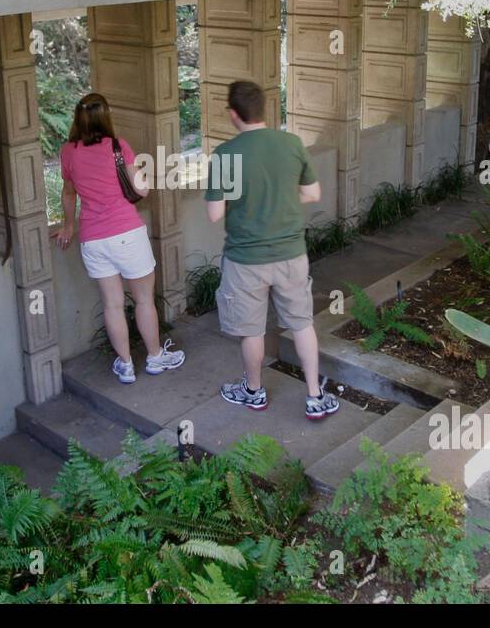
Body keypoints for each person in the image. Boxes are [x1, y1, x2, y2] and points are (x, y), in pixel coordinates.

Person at [206, 80, 338, 420]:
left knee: (252, 330)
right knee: (301, 324)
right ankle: (314, 396)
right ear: (264, 109)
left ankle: (253, 392)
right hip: (291, 254)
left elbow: (215, 213)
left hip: (245, 259)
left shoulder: (226, 155)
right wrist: (279, 197)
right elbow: (312, 194)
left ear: (233, 114)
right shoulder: (291, 143)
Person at [54, 92, 185, 384]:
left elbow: (68, 192)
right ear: (106, 117)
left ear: (78, 117)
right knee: (143, 301)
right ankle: (154, 358)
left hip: (93, 239)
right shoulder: (118, 146)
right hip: (126, 233)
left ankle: (125, 365)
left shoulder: (68, 152)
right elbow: (142, 191)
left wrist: (68, 227)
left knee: (113, 304)